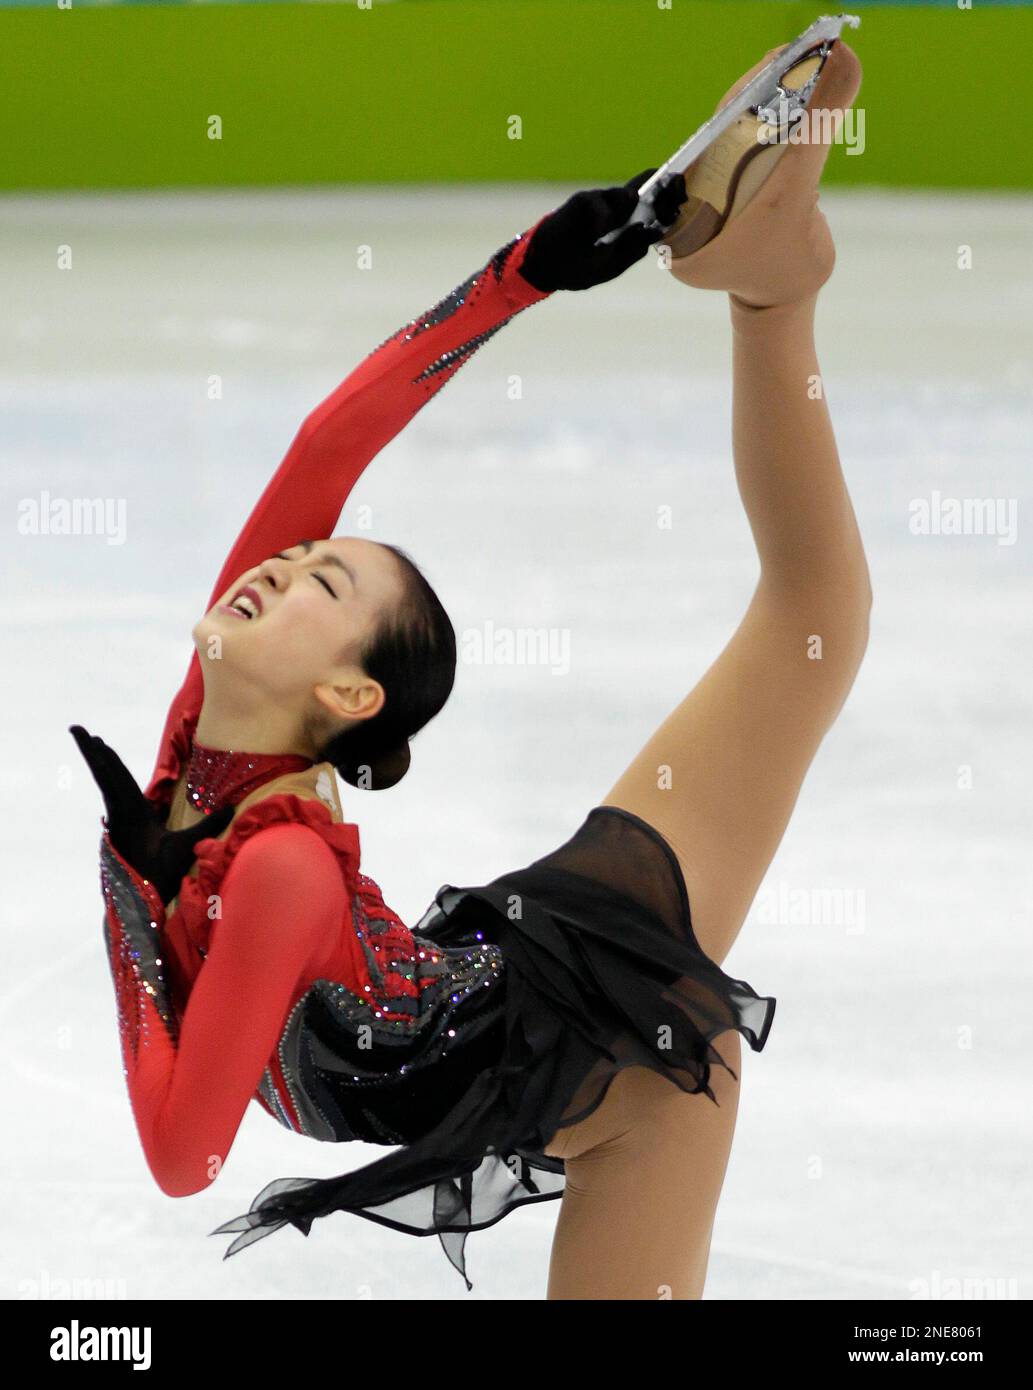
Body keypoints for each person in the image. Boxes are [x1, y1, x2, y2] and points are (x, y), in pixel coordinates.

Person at [74, 36, 867, 1300]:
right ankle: (774, 289)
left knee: (812, 619)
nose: (278, 564)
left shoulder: (274, 863)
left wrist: (127, 892)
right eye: (298, 560)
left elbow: (182, 1153)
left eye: (319, 581)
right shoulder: (201, 741)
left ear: (348, 695)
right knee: (813, 617)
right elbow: (332, 438)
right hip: (508, 957)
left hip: (631, 1062)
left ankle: (775, 290)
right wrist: (528, 270)